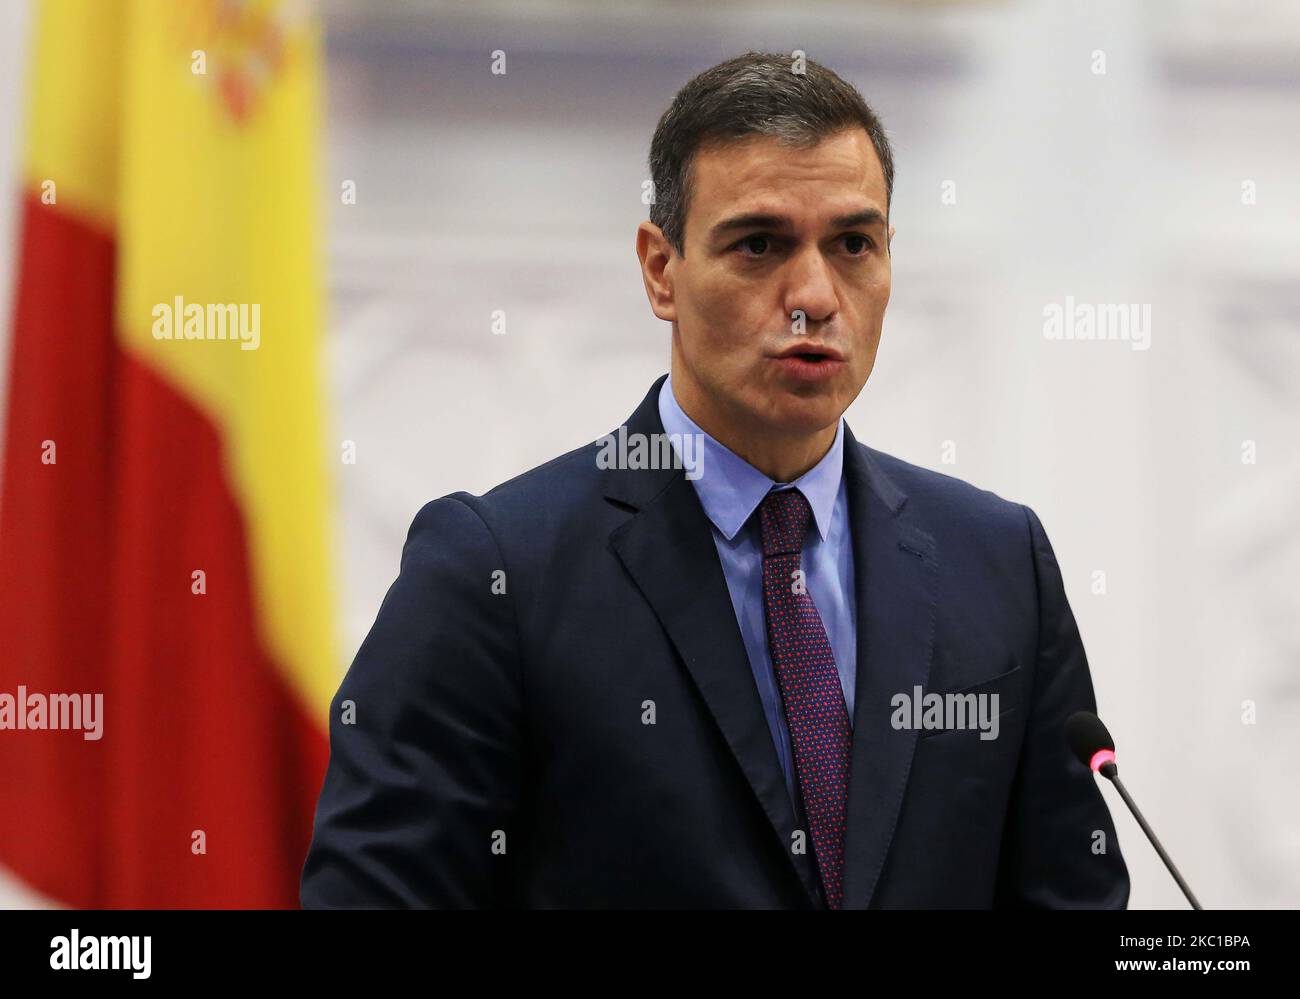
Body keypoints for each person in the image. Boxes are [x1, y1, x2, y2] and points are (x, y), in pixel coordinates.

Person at [300, 51, 1129, 909]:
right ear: (661, 269)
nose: (813, 294)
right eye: (760, 244)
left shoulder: (998, 564)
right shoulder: (495, 572)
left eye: (853, 244)